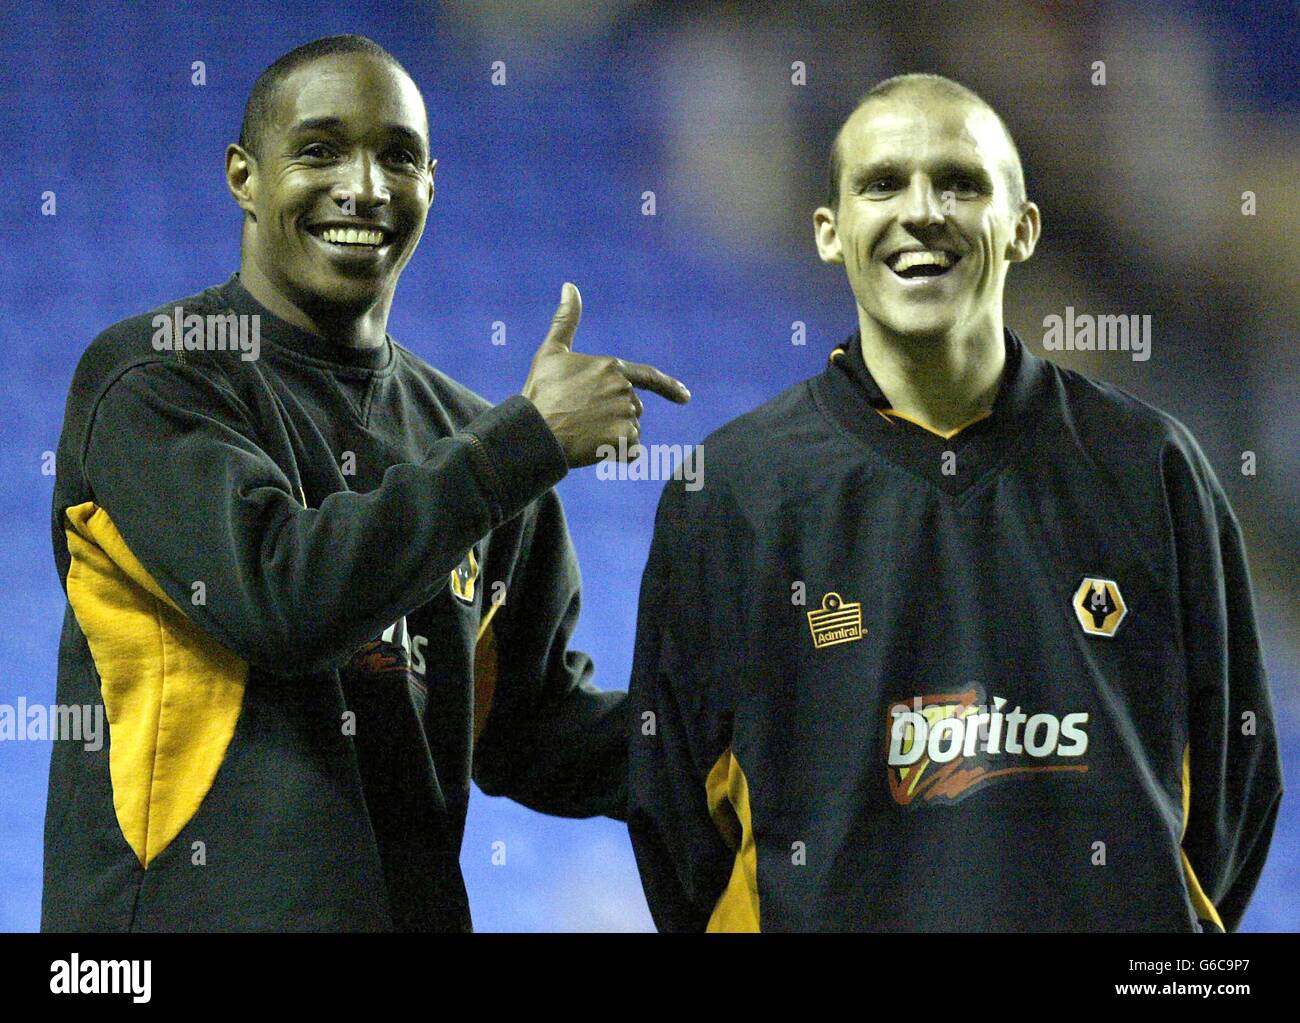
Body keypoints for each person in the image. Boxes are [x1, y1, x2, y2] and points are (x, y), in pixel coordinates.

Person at [43, 34, 689, 932]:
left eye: (399, 157)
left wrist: (756, 727)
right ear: (245, 176)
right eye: (318, 150)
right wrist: (524, 443)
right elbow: (283, 599)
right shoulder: (153, 378)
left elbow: (537, 735)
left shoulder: (478, 438)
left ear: (433, 184)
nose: (365, 186)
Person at [626, 73, 1282, 932]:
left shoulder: (1152, 469)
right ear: (830, 232)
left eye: (961, 183)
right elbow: (678, 829)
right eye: (881, 183)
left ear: (1022, 228)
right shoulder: (734, 493)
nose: (922, 210)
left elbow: (1233, 795)